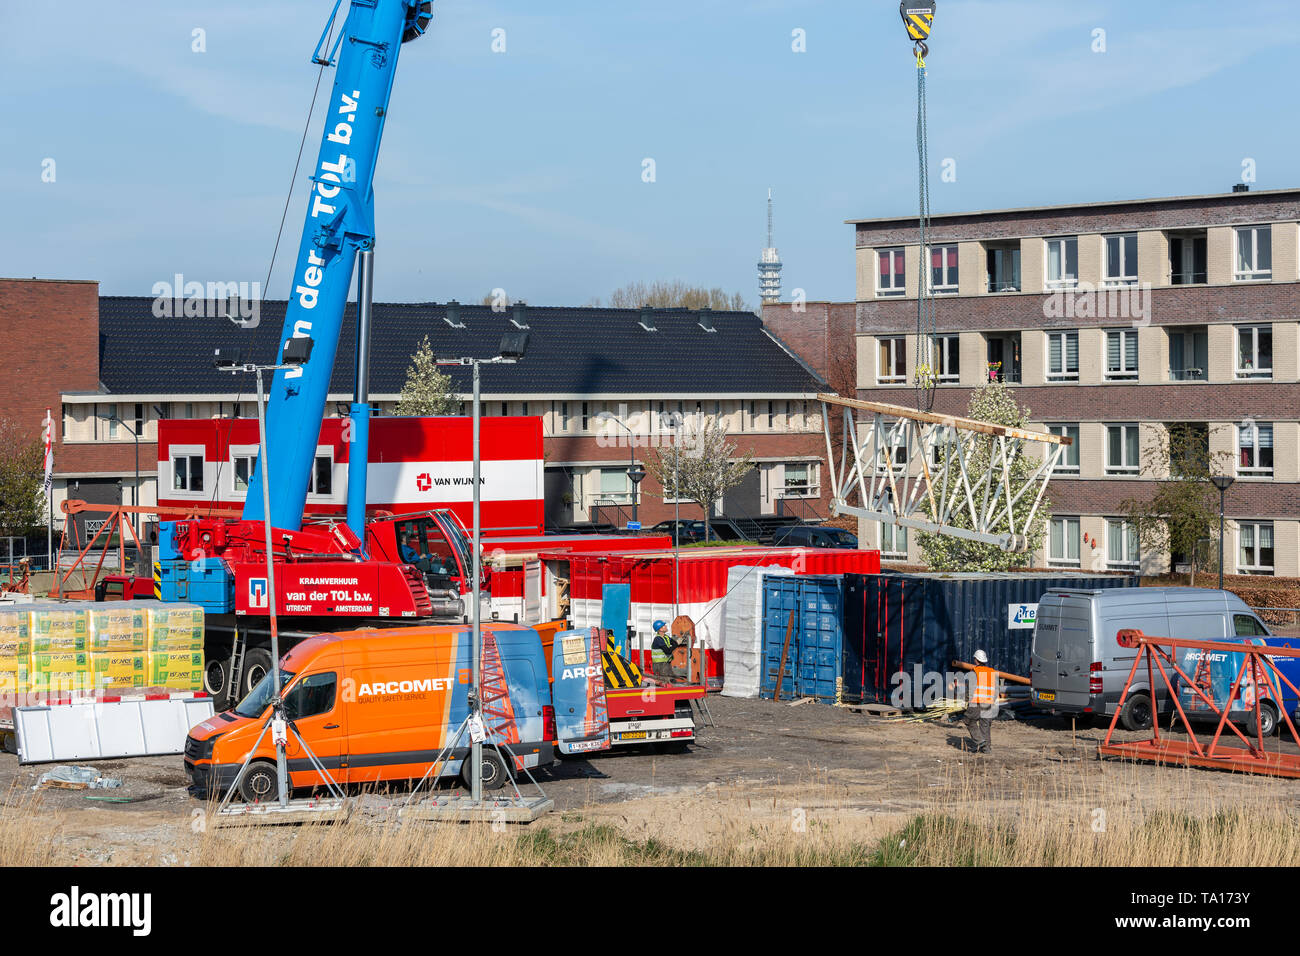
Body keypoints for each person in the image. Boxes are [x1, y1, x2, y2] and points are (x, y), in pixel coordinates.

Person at [963, 649, 998, 754]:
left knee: (968, 720)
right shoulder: (992, 672)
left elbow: (970, 689)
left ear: (976, 660)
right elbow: (996, 690)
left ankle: (979, 741)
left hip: (977, 702)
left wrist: (966, 701)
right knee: (985, 726)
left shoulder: (974, 671)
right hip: (989, 703)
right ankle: (986, 749)